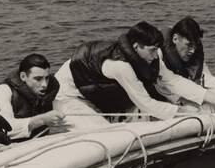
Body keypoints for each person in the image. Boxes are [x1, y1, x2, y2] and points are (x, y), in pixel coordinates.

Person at [54, 21, 187, 130]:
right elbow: (146, 104)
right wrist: (183, 112)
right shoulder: (120, 66)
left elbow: (171, 82)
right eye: (152, 51)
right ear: (136, 47)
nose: (155, 56)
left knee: (138, 116)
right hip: (68, 94)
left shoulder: (148, 57)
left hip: (97, 91)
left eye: (156, 50)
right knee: (103, 134)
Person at [160, 17, 215, 112]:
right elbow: (171, 82)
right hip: (158, 96)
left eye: (195, 45)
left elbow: (206, 76)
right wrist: (214, 100)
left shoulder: (194, 55)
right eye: (188, 45)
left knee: (210, 106)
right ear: (175, 39)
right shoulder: (157, 53)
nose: (192, 50)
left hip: (179, 93)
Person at [0, 53, 67, 139]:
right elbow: (6, 128)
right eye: (38, 79)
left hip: (42, 140)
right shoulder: (4, 91)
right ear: (23, 76)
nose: (44, 85)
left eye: (46, 78)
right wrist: (42, 120)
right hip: (13, 146)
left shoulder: (52, 88)